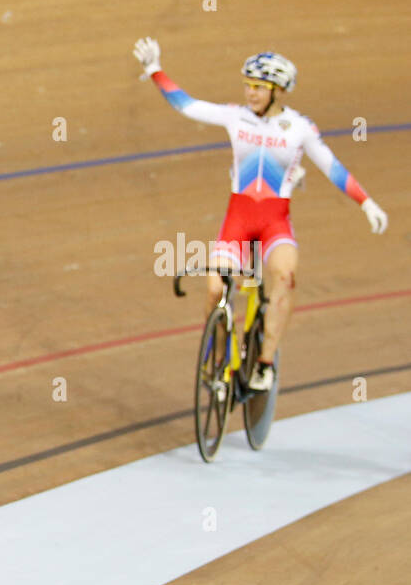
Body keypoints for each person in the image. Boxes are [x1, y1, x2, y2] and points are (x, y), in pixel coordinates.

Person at [133, 37, 389, 390]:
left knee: (285, 275)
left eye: (259, 87)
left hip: (274, 223)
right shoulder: (235, 116)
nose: (251, 93)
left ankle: (265, 363)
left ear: (278, 91)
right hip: (237, 220)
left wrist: (366, 202)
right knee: (214, 291)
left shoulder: (299, 127)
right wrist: (155, 71)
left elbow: (333, 168)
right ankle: (216, 362)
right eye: (248, 85)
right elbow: (187, 105)